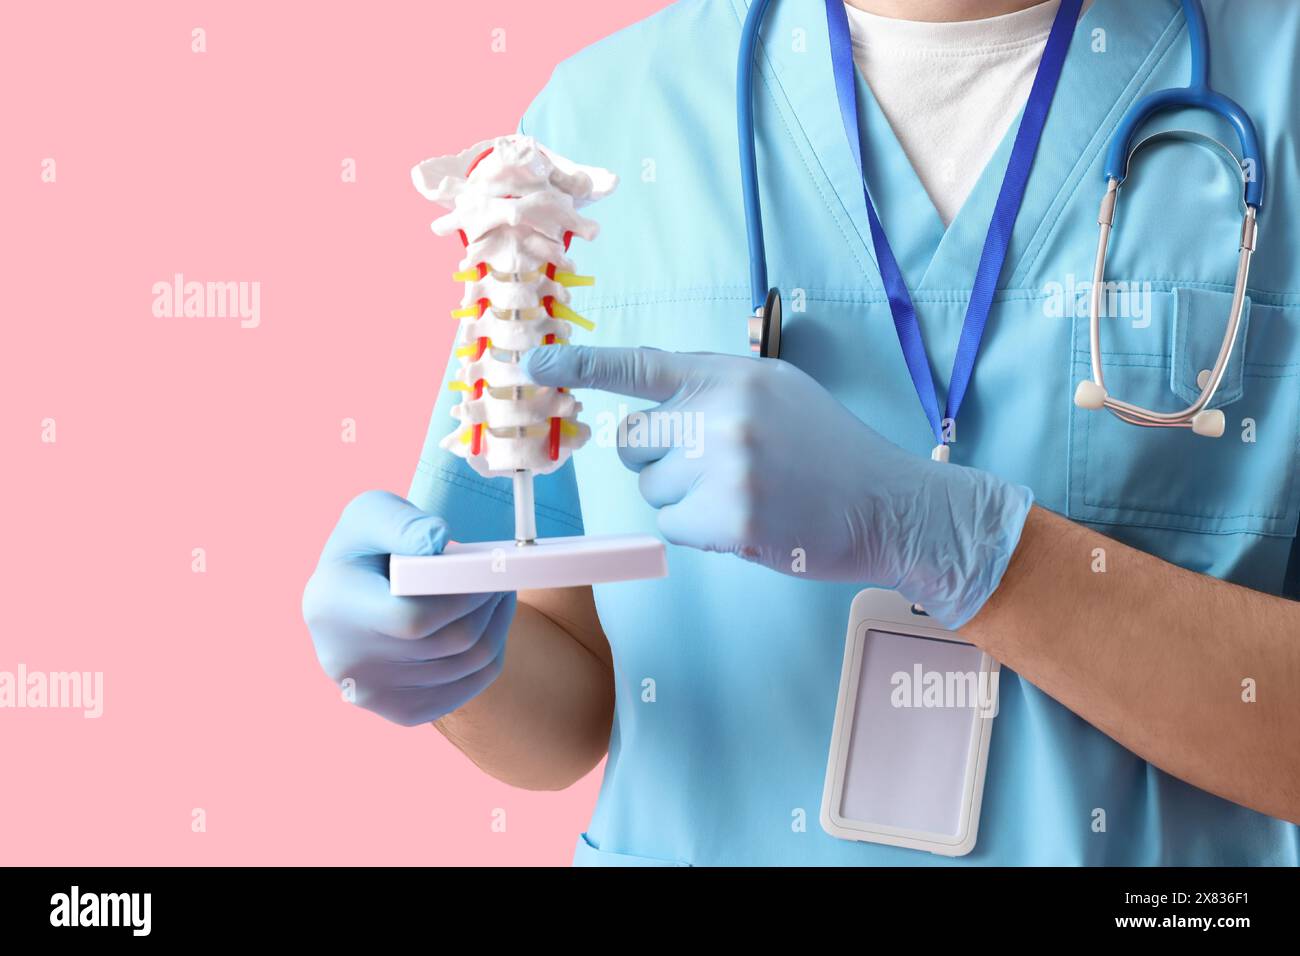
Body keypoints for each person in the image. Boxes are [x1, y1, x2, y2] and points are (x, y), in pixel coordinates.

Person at [302, 0, 1300, 865]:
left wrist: (978, 553)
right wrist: (445, 657)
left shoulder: (1277, 83)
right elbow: (571, 696)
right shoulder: (598, 125)